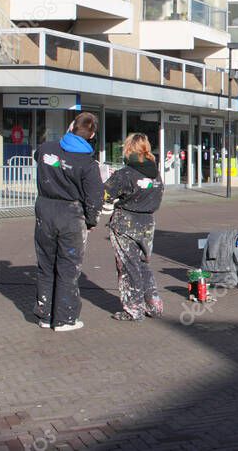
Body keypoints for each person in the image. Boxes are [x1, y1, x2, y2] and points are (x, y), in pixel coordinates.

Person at [34, 112, 103, 332]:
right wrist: (91, 222)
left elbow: (39, 156)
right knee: (68, 267)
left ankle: (45, 315)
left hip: (45, 210)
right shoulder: (88, 164)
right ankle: (64, 318)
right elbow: (94, 198)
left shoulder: (47, 149)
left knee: (46, 264)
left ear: (71, 126)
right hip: (71, 214)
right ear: (92, 135)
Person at [104, 133, 164, 321]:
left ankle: (133, 309)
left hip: (126, 223)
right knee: (143, 265)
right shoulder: (156, 174)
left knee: (128, 267)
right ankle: (154, 304)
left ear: (129, 149)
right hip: (147, 224)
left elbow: (105, 194)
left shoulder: (125, 174)